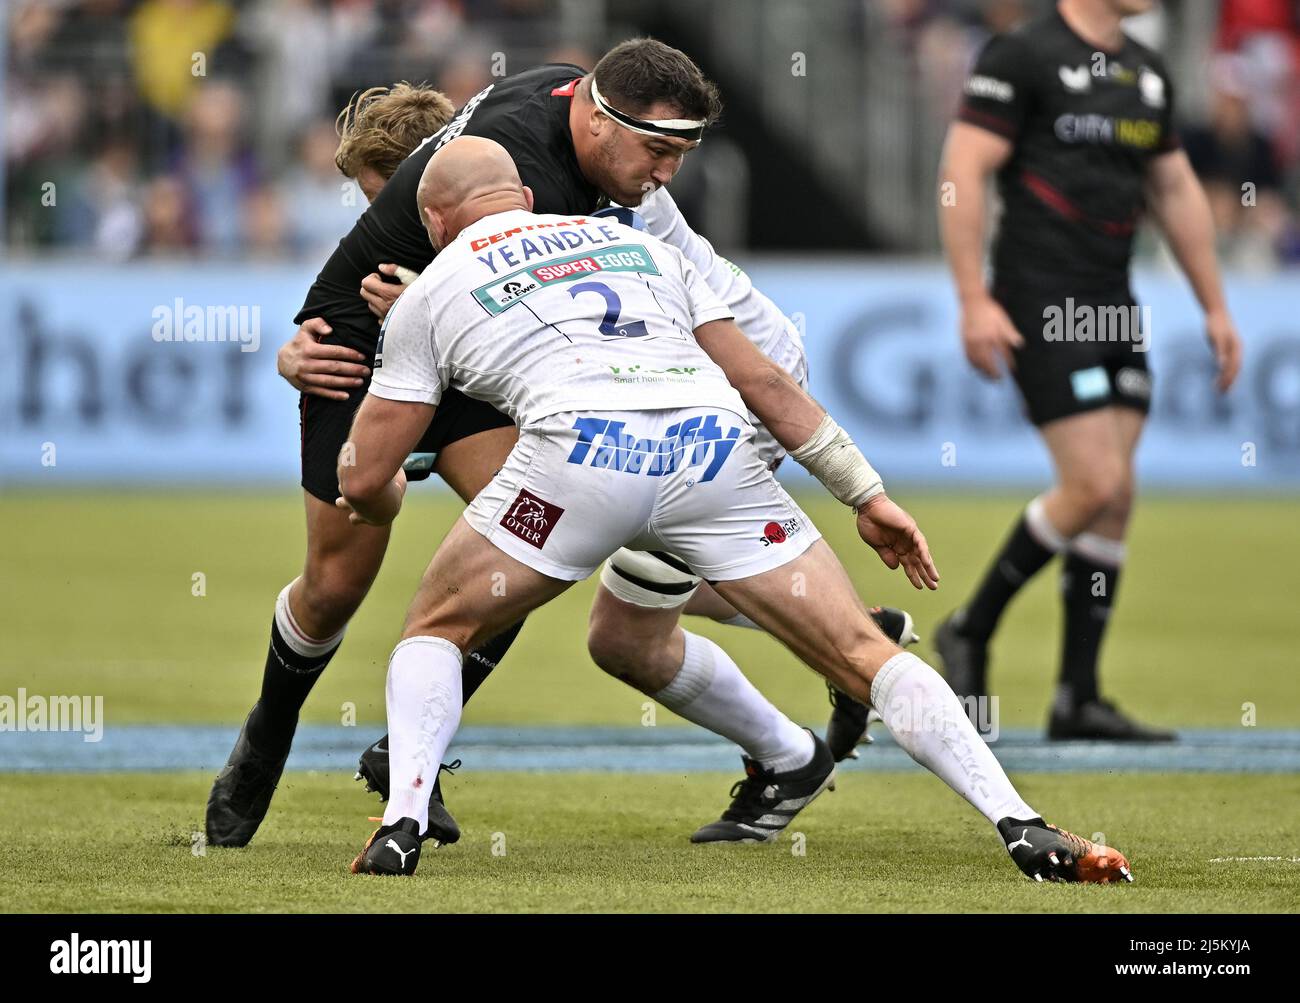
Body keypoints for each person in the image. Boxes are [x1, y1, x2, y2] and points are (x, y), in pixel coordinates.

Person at [340, 136, 1131, 886]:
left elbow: (367, 475)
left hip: (577, 460)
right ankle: (1020, 821)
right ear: (523, 194)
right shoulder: (640, 246)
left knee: (438, 626)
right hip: (710, 449)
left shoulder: (431, 289)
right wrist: (866, 492)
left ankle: (401, 824)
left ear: (434, 221)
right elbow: (767, 386)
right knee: (861, 650)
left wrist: (381, 495)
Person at [207, 41, 901, 852]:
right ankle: (270, 735)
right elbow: (389, 294)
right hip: (426, 351)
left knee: (583, 583)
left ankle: (806, 725)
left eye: (391, 207)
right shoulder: (545, 154)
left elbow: (546, 326)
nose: (667, 170)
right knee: (341, 582)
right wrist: (306, 341)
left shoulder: (575, 185)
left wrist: (864, 490)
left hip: (686, 379)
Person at [934, 0, 1243, 740]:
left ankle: (1077, 696)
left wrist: (1217, 306)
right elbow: (962, 172)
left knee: (1116, 497)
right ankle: (971, 627)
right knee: (1095, 482)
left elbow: (1173, 189)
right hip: (1039, 298)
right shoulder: (1021, 55)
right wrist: (974, 299)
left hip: (1115, 304)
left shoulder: (1146, 71)